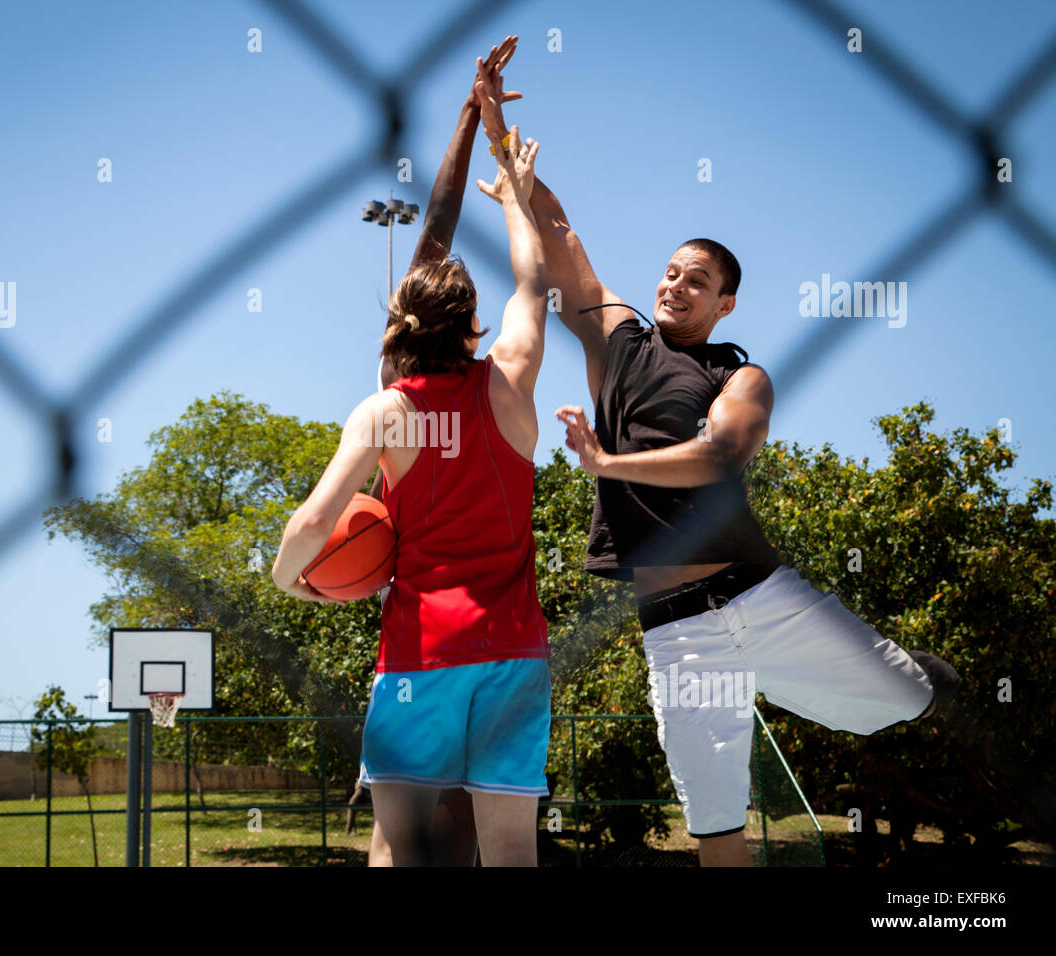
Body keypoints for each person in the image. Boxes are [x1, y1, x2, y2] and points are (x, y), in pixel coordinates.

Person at [512, 173, 959, 866]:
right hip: (679, 637)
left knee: (905, 695)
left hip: (764, 598)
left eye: (697, 279)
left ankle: (920, 682)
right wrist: (507, 149)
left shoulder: (738, 377)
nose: (676, 285)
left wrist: (607, 465)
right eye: (670, 272)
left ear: (725, 303)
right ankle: (771, 686)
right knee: (716, 829)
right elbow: (562, 235)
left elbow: (721, 452)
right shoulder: (619, 342)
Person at [272, 56, 550, 866]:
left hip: (419, 655)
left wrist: (292, 579)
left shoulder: (386, 411)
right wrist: (512, 180)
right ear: (472, 328)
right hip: (513, 650)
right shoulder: (512, 383)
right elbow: (531, 282)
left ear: (400, 327)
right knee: (511, 852)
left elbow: (315, 520)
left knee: (398, 843)